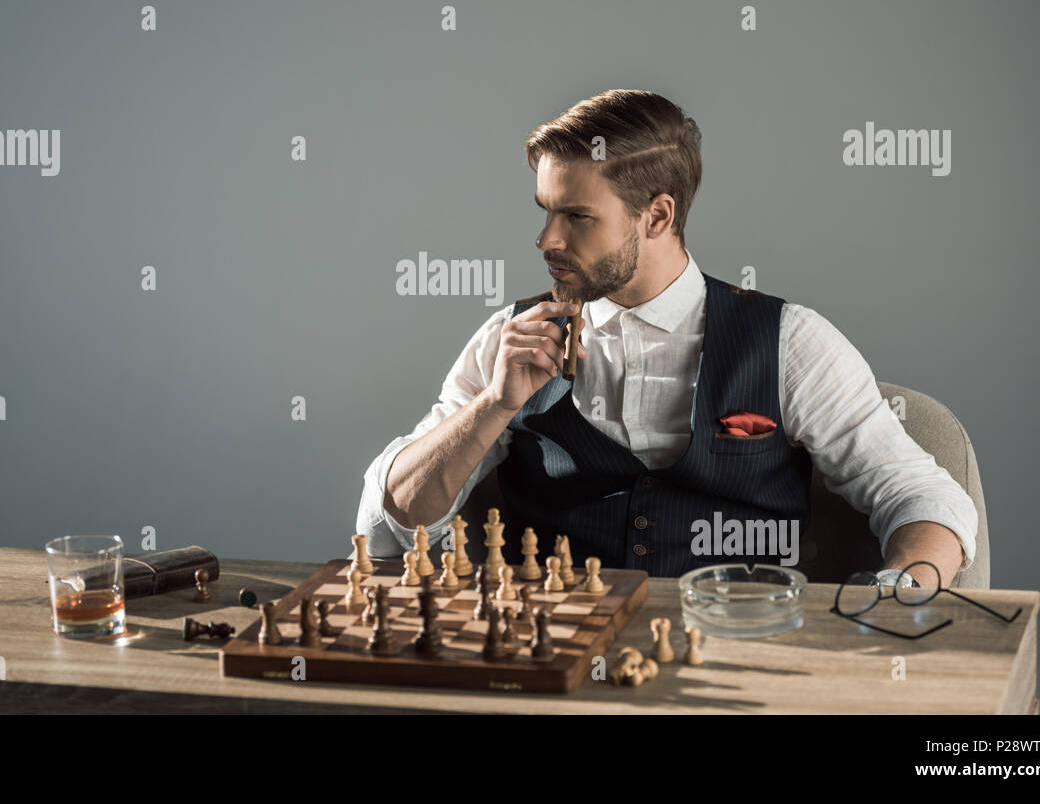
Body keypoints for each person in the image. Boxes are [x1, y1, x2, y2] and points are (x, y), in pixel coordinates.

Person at [356, 89, 977, 588]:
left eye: (576, 216)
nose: (546, 239)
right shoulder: (510, 337)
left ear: (657, 215)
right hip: (556, 659)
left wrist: (900, 596)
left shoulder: (789, 341)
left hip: (745, 660)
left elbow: (921, 495)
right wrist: (491, 407)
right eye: (545, 211)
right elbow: (387, 529)